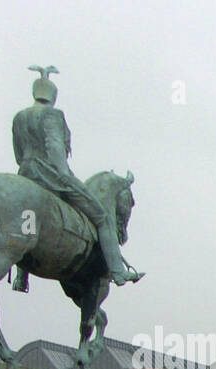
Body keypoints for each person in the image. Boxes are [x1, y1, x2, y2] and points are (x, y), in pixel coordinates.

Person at [11, 67, 141, 287]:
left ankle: (21, 277)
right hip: (52, 177)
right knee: (102, 218)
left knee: (25, 221)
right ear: (53, 96)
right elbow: (56, 151)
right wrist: (67, 178)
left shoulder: (20, 117)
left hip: (25, 174)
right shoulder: (53, 114)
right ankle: (118, 271)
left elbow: (18, 153)